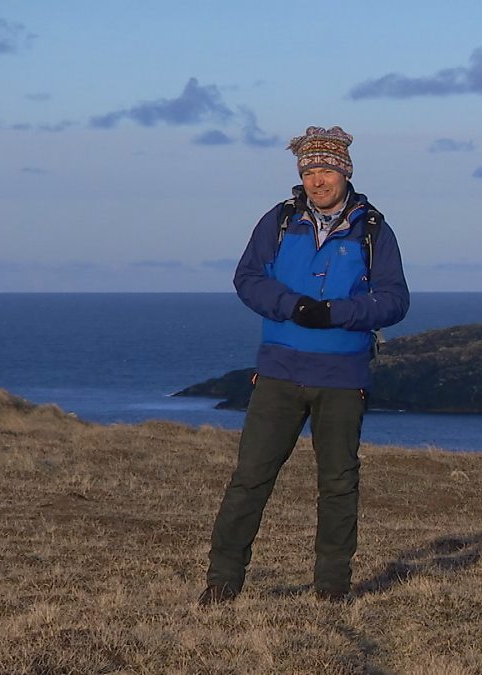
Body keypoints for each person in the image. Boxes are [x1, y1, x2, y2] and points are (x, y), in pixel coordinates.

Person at [200, 126, 410, 605]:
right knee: (249, 479)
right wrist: (292, 306)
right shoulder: (277, 221)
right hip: (278, 374)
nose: (318, 180)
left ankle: (332, 590)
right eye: (309, 171)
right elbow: (248, 278)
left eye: (327, 170)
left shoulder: (374, 229)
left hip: (342, 378)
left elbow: (396, 300)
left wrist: (337, 313)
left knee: (338, 486)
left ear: (345, 172)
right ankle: (221, 584)